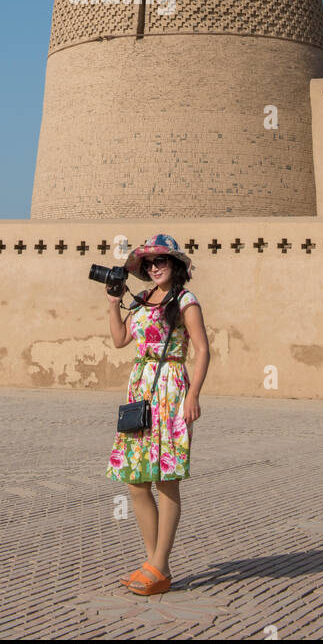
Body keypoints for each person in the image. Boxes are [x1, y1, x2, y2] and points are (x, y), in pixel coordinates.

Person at [105, 233, 210, 595]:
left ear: (175, 265)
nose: (154, 267)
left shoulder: (185, 301)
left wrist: (193, 395)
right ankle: (153, 564)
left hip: (170, 391)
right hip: (141, 389)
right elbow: (120, 340)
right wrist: (112, 304)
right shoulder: (143, 300)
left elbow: (202, 349)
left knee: (166, 480)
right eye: (148, 263)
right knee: (136, 479)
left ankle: (159, 564)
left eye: (160, 261)